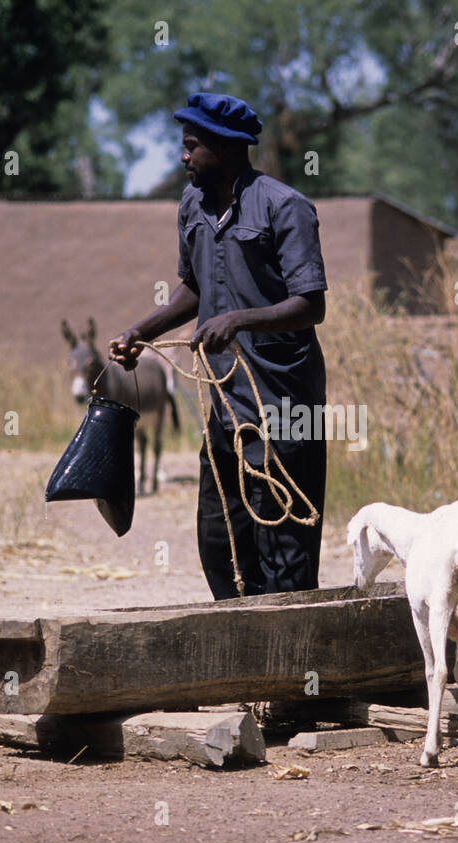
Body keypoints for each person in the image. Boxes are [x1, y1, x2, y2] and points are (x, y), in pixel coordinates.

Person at [109, 92, 329, 600]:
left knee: (284, 542)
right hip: (225, 402)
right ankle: (241, 646)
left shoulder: (285, 206)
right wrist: (142, 331)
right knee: (220, 535)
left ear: (227, 148)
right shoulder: (192, 205)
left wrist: (239, 319)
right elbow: (194, 287)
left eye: (192, 146)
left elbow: (311, 305)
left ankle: (290, 668)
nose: (183, 157)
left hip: (285, 403)